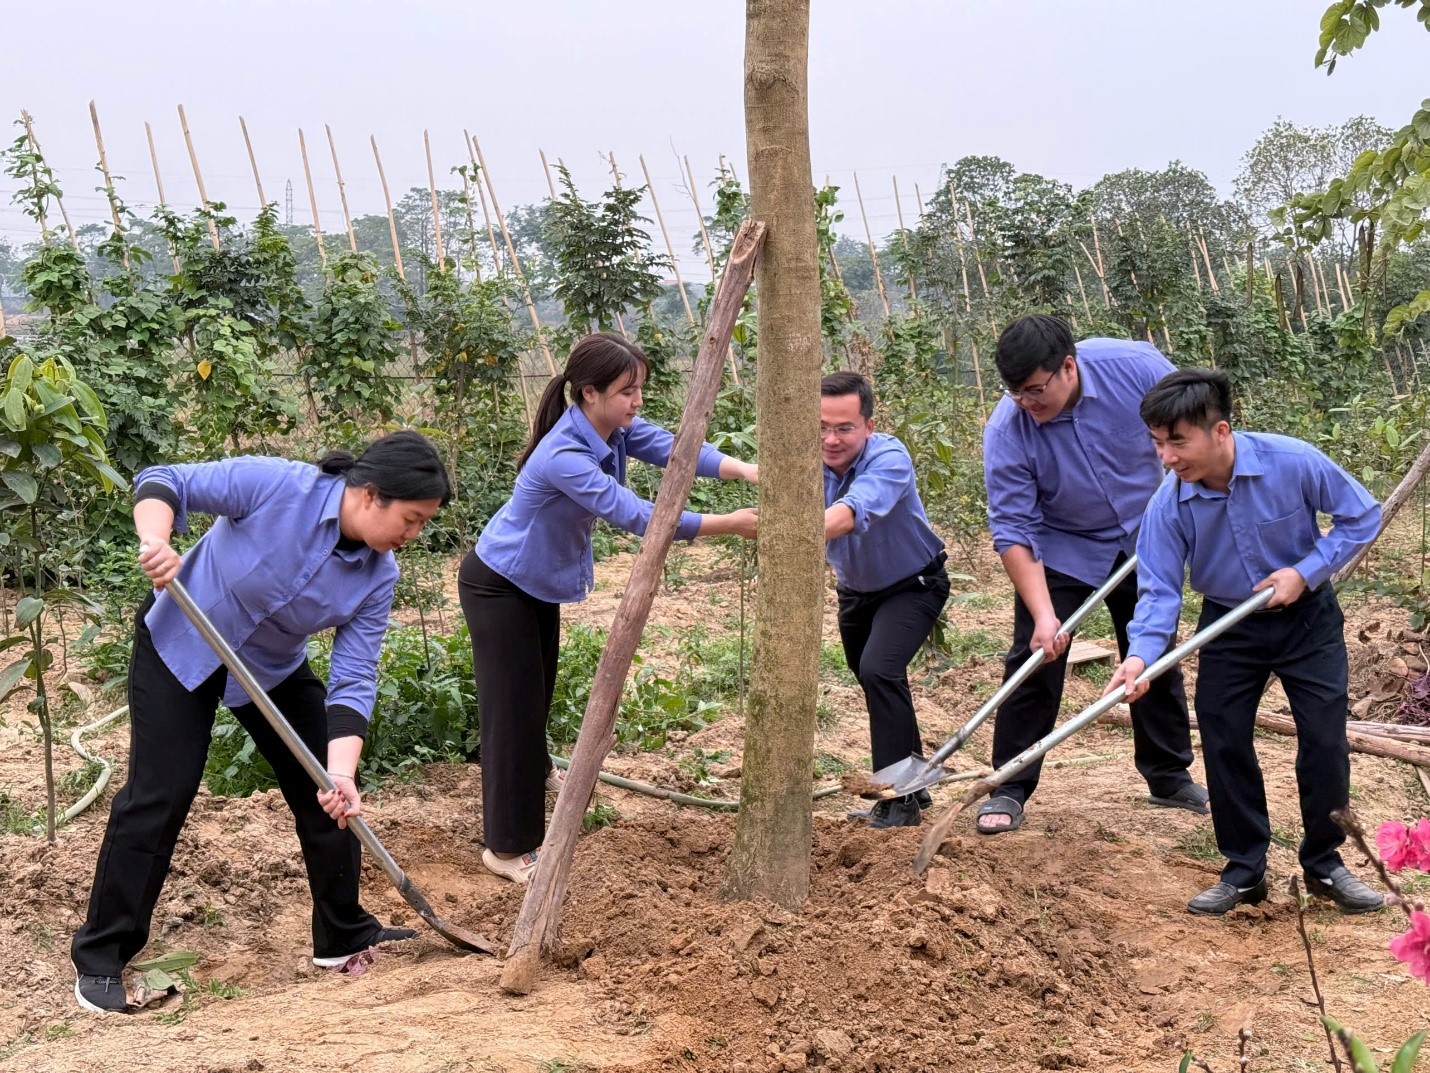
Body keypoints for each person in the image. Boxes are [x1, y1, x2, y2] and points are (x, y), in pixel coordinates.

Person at [70, 431, 452, 1014]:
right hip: (183, 641)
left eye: (424, 523)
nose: (414, 534)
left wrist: (340, 773)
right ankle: (101, 954)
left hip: (270, 669)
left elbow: (354, 677)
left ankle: (341, 933)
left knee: (327, 791)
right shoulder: (278, 486)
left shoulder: (379, 576)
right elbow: (164, 480)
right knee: (160, 793)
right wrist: (156, 540)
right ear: (371, 494)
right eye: (411, 518)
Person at [461, 332, 758, 883]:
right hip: (499, 585)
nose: (637, 401)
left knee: (532, 697)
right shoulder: (564, 455)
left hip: (531, 583)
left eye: (639, 388)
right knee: (512, 714)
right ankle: (507, 847)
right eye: (627, 390)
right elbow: (634, 513)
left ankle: (532, 773)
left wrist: (744, 469)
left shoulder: (611, 428)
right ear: (590, 393)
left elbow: (675, 448)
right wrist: (729, 524)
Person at [1107, 368, 1384, 916]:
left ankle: (1325, 864)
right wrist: (1140, 657)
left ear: (1220, 431)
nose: (1167, 457)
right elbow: (1159, 592)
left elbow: (1362, 515)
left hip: (1308, 619)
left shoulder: (1293, 461)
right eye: (1158, 443)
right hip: (1228, 625)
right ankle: (1244, 869)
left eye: (1178, 441)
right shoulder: (1168, 505)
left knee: (1324, 740)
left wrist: (1305, 571)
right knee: (1224, 735)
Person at [979, 315, 1206, 834]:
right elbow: (1012, 526)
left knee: (1152, 649)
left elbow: (1191, 427)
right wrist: (1044, 615)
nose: (1026, 403)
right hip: (1064, 544)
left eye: (1035, 391)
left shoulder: (1136, 367)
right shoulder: (1008, 429)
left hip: (1145, 531)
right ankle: (1010, 782)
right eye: (1015, 393)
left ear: (1068, 367)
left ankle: (1168, 775)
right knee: (1035, 658)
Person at [821, 371, 950, 829]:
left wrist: (788, 529)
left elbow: (852, 511)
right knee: (874, 677)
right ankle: (916, 783)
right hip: (856, 592)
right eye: (822, 427)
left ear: (869, 426)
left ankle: (898, 801)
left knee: (880, 670)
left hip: (913, 584)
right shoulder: (806, 460)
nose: (831, 439)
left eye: (844, 428)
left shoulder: (889, 458)